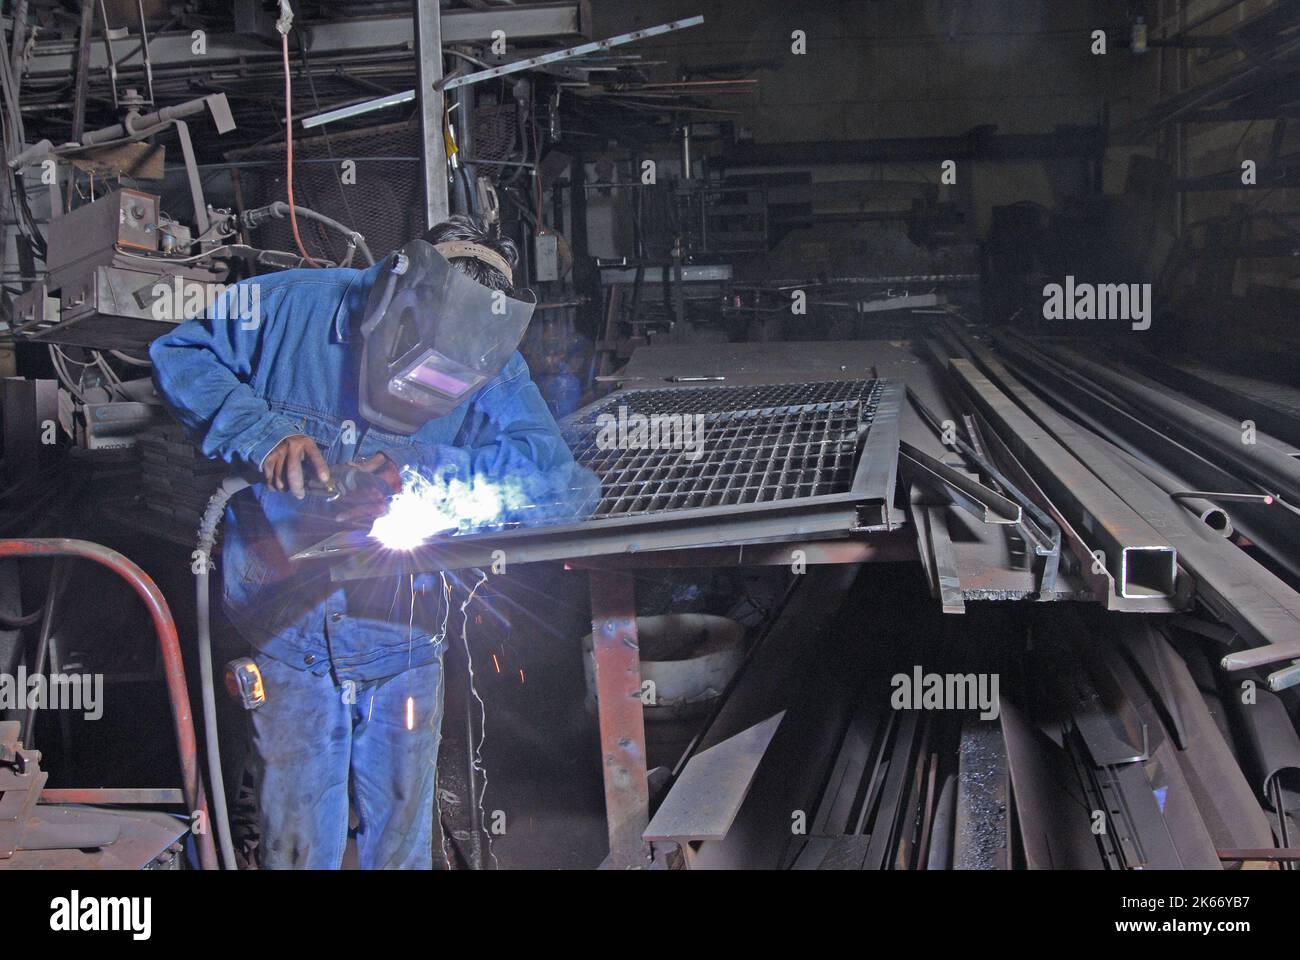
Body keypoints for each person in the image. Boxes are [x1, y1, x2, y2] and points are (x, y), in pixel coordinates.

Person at [150, 214, 597, 869]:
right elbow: (181, 352)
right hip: (284, 635)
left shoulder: (491, 358)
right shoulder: (291, 305)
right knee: (299, 843)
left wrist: (417, 473)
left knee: (398, 848)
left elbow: (560, 481)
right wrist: (263, 432)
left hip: (404, 635)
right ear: (392, 298)